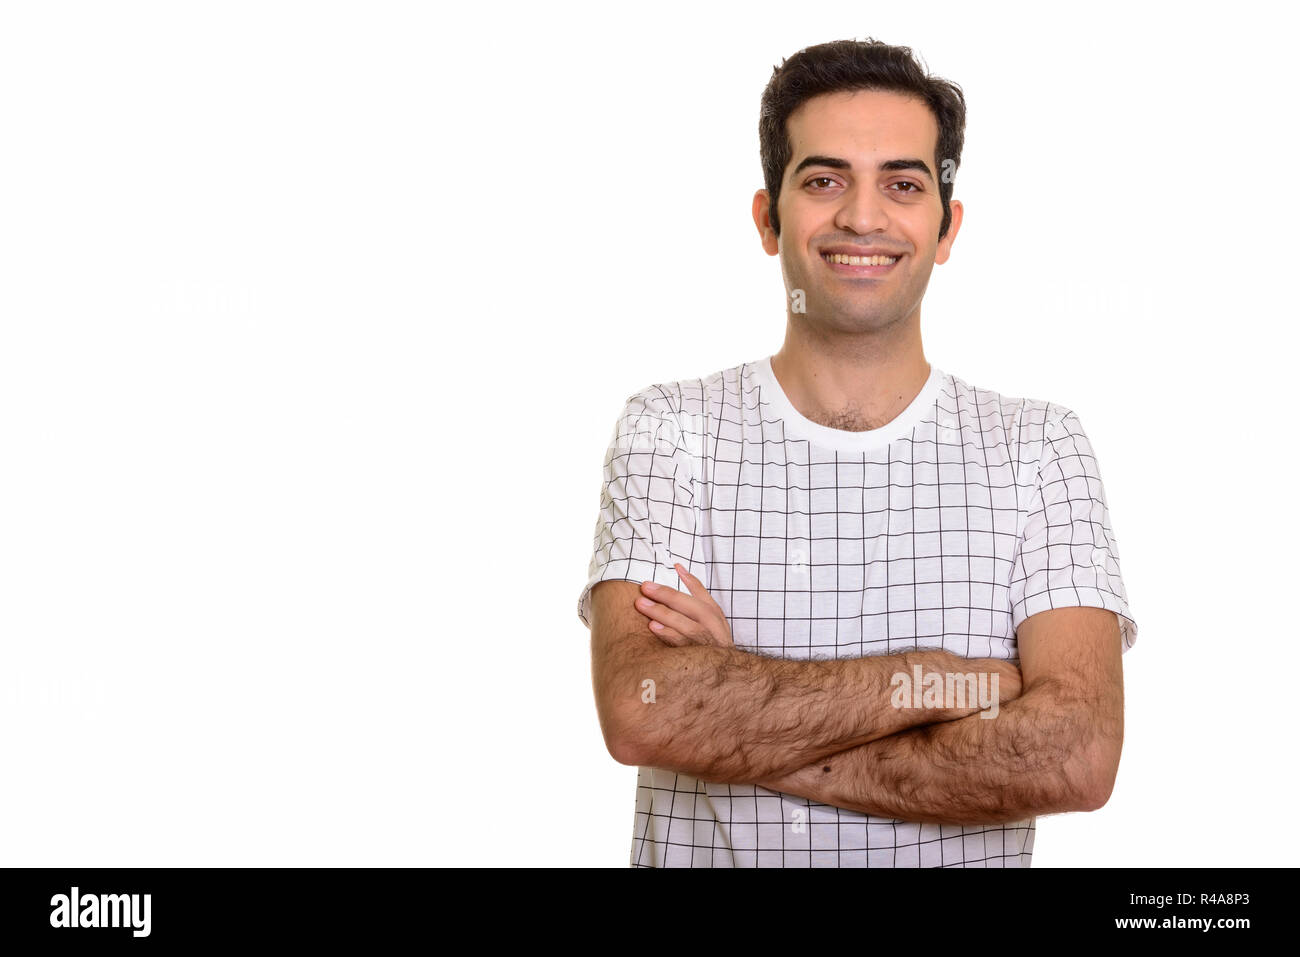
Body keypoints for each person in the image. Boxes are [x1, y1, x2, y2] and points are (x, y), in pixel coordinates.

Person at [577, 38, 1137, 867]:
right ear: (769, 219)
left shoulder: (1039, 448)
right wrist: (950, 679)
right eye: (824, 179)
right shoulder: (670, 430)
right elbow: (645, 708)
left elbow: (1076, 753)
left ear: (946, 227)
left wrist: (737, 702)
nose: (863, 217)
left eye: (903, 184)